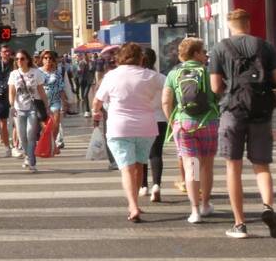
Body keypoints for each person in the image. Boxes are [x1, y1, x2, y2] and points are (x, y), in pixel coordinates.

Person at [209, 8, 276, 239]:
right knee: (262, 165)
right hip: (260, 111)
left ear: (229, 25)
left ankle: (240, 224)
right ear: (248, 24)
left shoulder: (220, 48)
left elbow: (215, 87)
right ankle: (268, 208)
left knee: (233, 167)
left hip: (232, 110)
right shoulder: (266, 46)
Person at [93, 43, 165, 222]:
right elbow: (169, 88)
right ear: (141, 58)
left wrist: (96, 113)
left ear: (120, 58)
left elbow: (97, 101)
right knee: (139, 164)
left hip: (119, 127)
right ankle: (137, 203)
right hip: (146, 127)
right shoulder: (152, 76)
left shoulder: (111, 76)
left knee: (126, 169)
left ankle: (133, 206)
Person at [163, 37, 220, 224]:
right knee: (207, 166)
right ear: (195, 53)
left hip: (183, 124)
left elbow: (166, 101)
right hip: (208, 123)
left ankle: (194, 210)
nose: (205, 55)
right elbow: (218, 93)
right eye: (203, 52)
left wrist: (173, 122)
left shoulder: (173, 74)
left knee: (192, 167)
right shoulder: (207, 71)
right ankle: (205, 205)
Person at [8, 50, 48, 172]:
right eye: (17, 59)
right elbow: (12, 92)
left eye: (22, 59)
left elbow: (41, 91)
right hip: (19, 109)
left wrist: (47, 106)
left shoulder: (36, 73)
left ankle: (31, 161)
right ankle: (28, 155)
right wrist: (12, 105)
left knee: (30, 134)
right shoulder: (14, 74)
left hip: (32, 108)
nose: (19, 61)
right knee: (22, 137)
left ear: (27, 60)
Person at [139, 48, 166, 203]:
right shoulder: (161, 78)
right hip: (160, 118)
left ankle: (143, 186)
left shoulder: (137, 78)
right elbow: (167, 99)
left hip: (141, 118)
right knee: (156, 153)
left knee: (142, 153)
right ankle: (157, 184)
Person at [39, 50, 73, 150]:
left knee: (56, 124)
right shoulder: (38, 72)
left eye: (50, 58)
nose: (48, 60)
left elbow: (61, 88)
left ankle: (52, 143)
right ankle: (44, 143)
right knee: (45, 126)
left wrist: (64, 102)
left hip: (55, 101)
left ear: (53, 60)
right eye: (45, 58)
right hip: (42, 101)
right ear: (42, 60)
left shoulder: (57, 73)